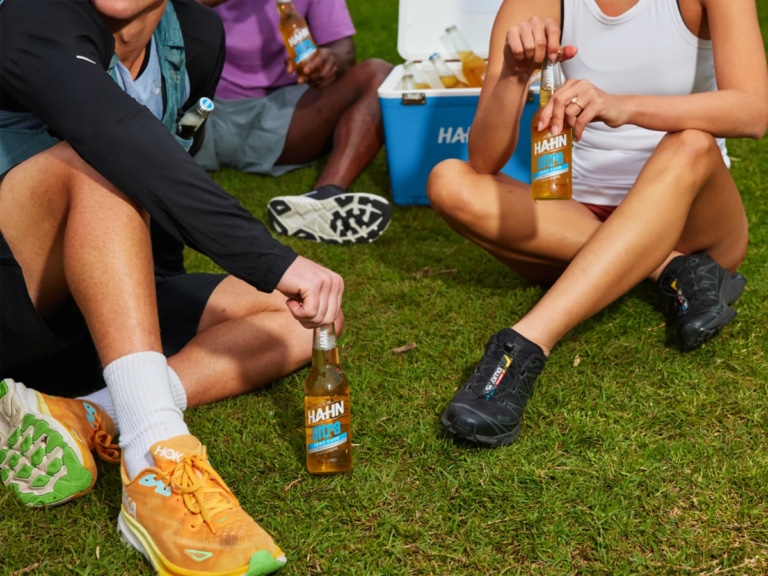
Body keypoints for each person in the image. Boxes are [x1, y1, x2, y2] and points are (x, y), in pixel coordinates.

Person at [0, 0, 345, 574]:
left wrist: (144, 298)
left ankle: (86, 413)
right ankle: (154, 456)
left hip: (90, 305)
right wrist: (274, 259)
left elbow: (172, 165)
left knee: (306, 319)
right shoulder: (31, 14)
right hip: (14, 298)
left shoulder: (198, 37)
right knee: (103, 161)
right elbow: (115, 135)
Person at [428, 0, 768, 447]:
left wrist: (620, 106)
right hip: (576, 218)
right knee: (449, 181)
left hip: (693, 219)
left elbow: (753, 111)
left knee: (691, 144)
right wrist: (513, 74)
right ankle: (666, 266)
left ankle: (526, 343)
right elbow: (484, 160)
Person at [194, 0, 394, 245]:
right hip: (199, 107)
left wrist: (327, 62)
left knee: (380, 74)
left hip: (284, 114)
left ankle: (326, 197)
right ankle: (156, 191)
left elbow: (343, 52)